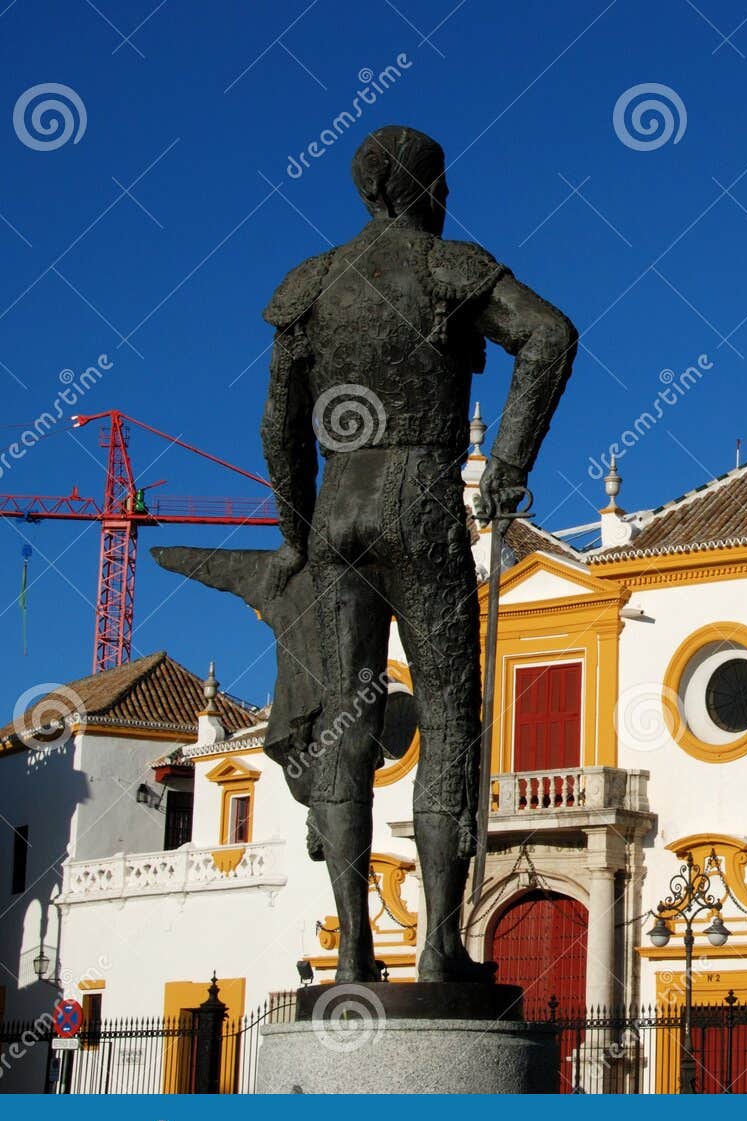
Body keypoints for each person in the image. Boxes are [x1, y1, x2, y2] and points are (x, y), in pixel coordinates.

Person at [258, 125, 577, 983]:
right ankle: (439, 947)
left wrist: (298, 534)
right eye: (443, 185)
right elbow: (550, 337)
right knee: (447, 718)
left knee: (346, 727)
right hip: (422, 493)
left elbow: (278, 429)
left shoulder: (311, 287)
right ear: (426, 189)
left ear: (367, 194)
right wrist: (506, 464)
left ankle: (354, 952)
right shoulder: (448, 266)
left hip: (337, 507)